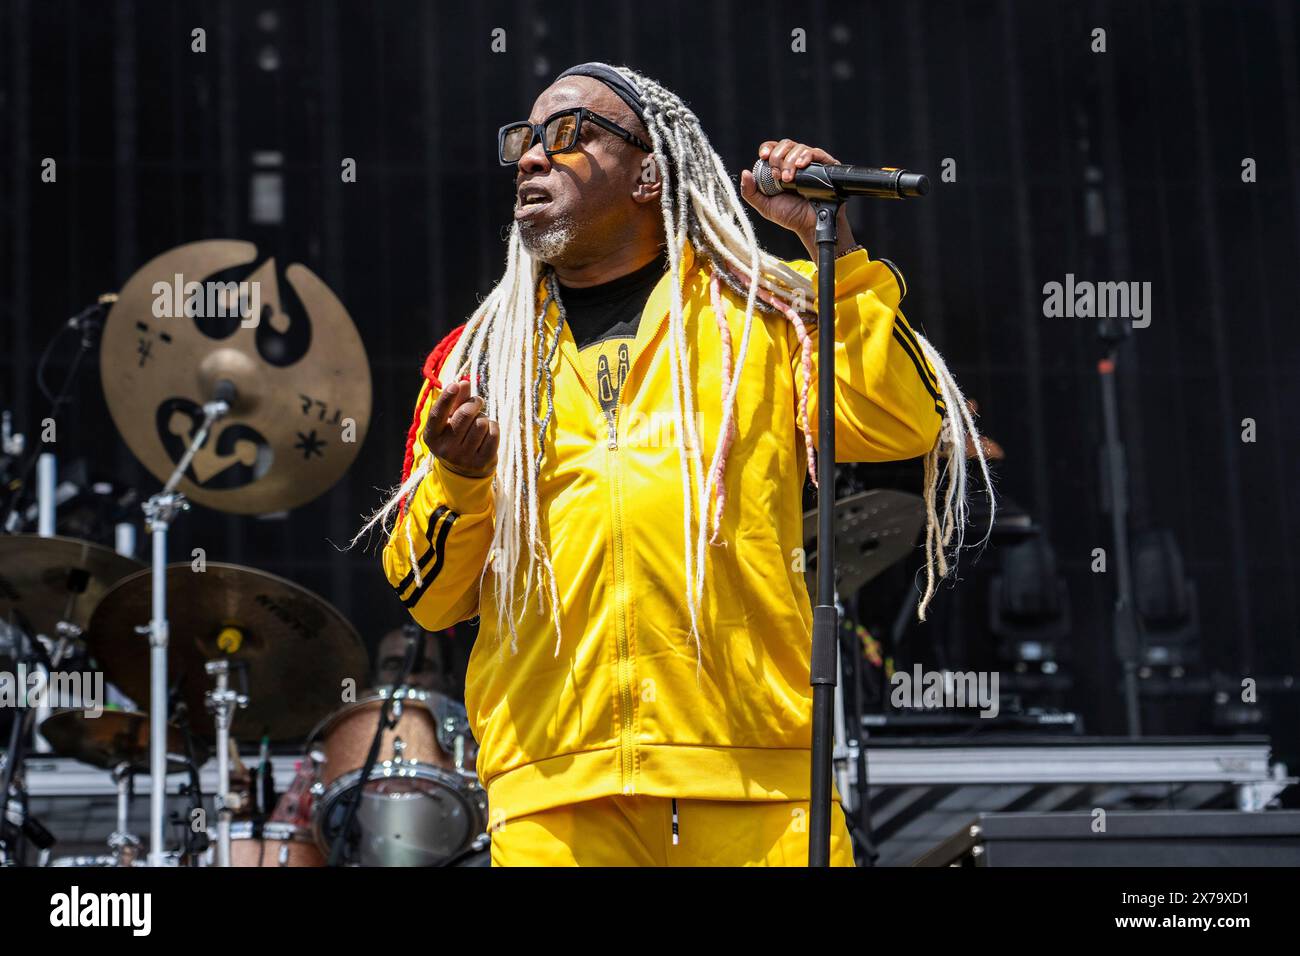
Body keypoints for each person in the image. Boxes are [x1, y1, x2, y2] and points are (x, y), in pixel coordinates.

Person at [358, 62, 990, 866]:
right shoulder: (479, 362)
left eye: (568, 135)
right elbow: (430, 599)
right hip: (560, 792)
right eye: (524, 140)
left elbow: (896, 425)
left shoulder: (769, 309)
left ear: (650, 171)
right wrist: (460, 480)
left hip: (756, 776)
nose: (530, 158)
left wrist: (830, 251)